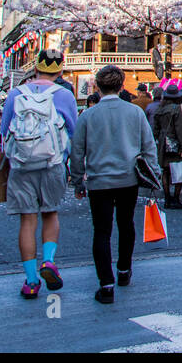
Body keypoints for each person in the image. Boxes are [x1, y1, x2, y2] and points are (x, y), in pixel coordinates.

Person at [69, 64, 158, 305]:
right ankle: (124, 270)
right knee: (126, 223)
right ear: (121, 85)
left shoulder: (88, 115)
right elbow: (149, 147)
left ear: (97, 86)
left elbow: (77, 152)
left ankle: (105, 284)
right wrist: (154, 175)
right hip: (127, 177)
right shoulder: (135, 113)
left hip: (99, 180)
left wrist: (78, 180)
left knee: (102, 230)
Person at [0, 48, 78, 299]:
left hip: (22, 165)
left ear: (36, 68)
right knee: (50, 213)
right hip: (52, 163)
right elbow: (74, 132)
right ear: (60, 71)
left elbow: (4, 133)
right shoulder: (65, 95)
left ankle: (31, 280)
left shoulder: (15, 94)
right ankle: (49, 261)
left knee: (27, 220)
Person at [153, 84, 182, 210]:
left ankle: (167, 198)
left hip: (163, 142)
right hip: (173, 140)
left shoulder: (159, 109)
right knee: (179, 169)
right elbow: (179, 129)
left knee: (166, 171)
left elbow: (155, 130)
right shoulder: (176, 109)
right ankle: (176, 199)